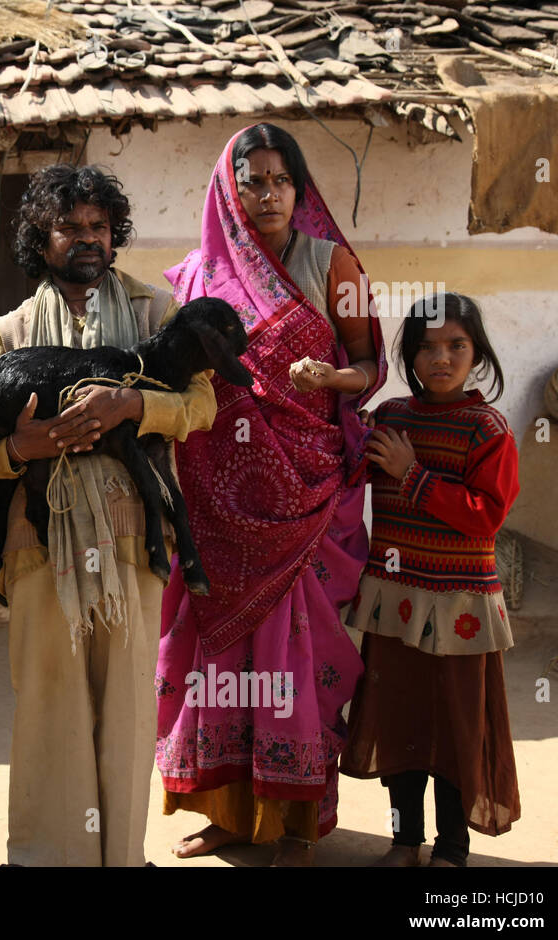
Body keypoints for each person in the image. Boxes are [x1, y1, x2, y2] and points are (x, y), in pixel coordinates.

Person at [156, 123, 385, 866]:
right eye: (251, 180)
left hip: (306, 494)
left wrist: (330, 381)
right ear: (230, 191)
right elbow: (179, 380)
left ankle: (290, 821)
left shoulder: (331, 262)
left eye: (280, 178)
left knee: (293, 656)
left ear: (300, 186)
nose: (268, 193)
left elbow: (368, 365)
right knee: (222, 655)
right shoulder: (197, 277)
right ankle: (227, 810)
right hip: (218, 506)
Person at [0, 164, 217, 867]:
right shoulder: (12, 332)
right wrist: (21, 447)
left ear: (114, 236)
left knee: (126, 707)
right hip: (38, 539)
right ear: (39, 240)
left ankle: (120, 855)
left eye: (98, 227)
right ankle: (48, 856)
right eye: (69, 227)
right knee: (49, 698)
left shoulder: (154, 313)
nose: (86, 239)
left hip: (132, 537)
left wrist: (133, 406)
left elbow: (202, 406)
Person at [342, 293, 520, 866]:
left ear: (477, 353)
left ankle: (451, 847)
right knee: (400, 724)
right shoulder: (391, 417)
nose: (441, 358)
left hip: (458, 606)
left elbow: (485, 515)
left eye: (456, 346)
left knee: (453, 729)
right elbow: (343, 468)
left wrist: (411, 474)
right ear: (409, 356)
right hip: (394, 601)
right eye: (426, 347)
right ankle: (403, 840)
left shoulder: (487, 429)